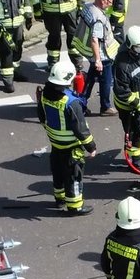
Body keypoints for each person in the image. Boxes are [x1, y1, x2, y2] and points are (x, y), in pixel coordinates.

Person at [39, 59, 97, 216]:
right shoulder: (71, 103)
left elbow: (42, 116)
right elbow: (80, 128)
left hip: (55, 145)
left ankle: (60, 199)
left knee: (58, 173)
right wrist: (91, 146)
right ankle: (75, 206)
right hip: (71, 147)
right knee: (73, 176)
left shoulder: (44, 94)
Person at [112, 25, 140, 159]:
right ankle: (136, 160)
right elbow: (122, 91)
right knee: (135, 131)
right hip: (129, 106)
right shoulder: (122, 65)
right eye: (138, 47)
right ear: (130, 46)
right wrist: (136, 104)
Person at [79, 0, 119, 114]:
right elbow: (95, 40)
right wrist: (98, 60)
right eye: (109, 1)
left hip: (93, 55)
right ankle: (105, 107)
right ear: (102, 1)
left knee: (90, 79)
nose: (111, 4)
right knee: (105, 82)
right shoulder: (98, 19)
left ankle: (82, 103)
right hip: (102, 56)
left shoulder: (88, 7)